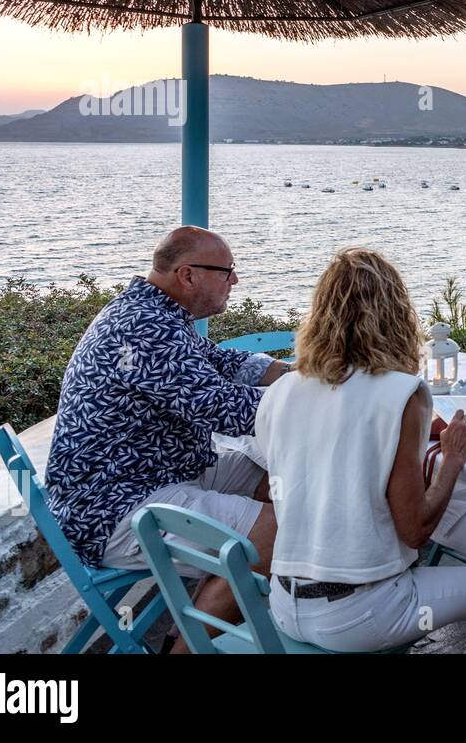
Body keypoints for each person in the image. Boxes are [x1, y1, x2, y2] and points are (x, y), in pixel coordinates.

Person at [257, 247, 466, 653]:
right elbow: (415, 530)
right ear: (397, 312)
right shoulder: (401, 394)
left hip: (284, 603)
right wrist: (452, 457)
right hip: (360, 612)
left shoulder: (282, 390)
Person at [46, 226, 292, 653]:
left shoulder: (158, 314)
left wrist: (300, 376)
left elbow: (224, 362)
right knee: (281, 529)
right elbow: (223, 408)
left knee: (288, 487)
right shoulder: (143, 327)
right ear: (189, 275)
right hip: (115, 504)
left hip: (165, 470)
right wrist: (320, 404)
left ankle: (188, 630)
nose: (235, 281)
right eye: (228, 272)